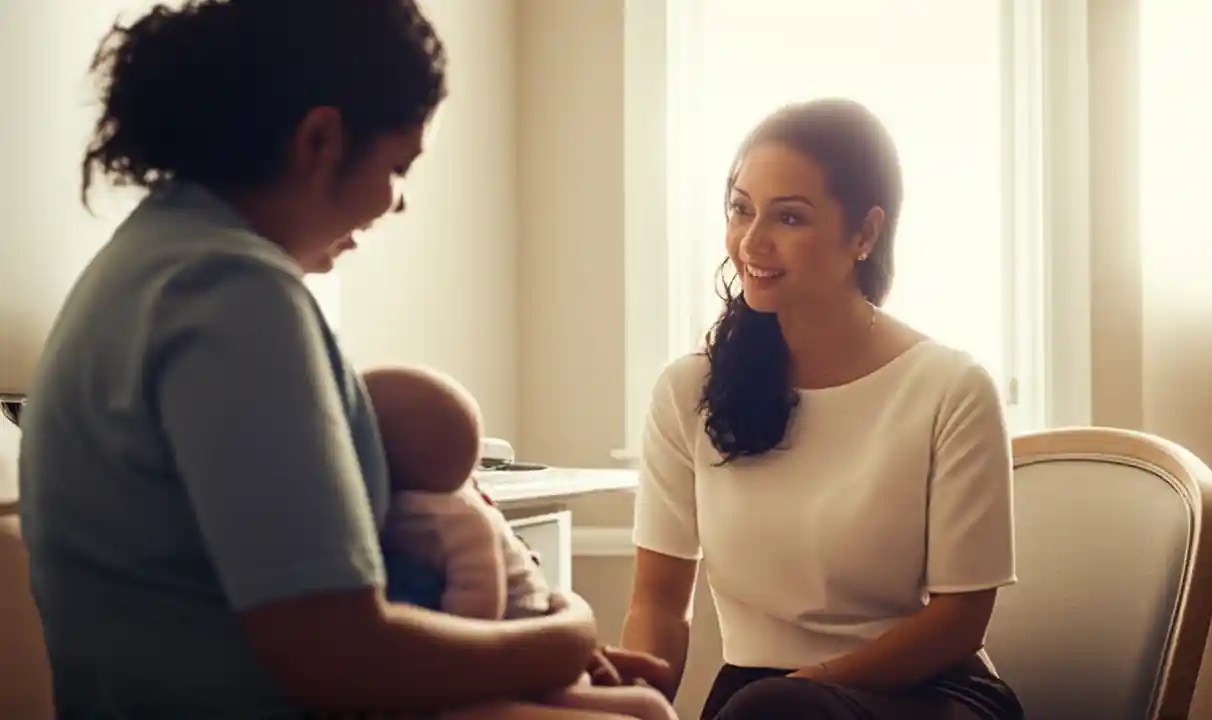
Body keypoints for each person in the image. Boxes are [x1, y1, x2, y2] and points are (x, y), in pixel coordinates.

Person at [17, 1, 653, 717]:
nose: (398, 204)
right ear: (320, 140)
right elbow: (342, 656)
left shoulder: (146, 263)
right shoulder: (235, 296)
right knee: (647, 713)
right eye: (397, 166)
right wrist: (566, 632)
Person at [618, 98, 1026, 719]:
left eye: (789, 218)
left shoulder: (950, 387)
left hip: (926, 693)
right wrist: (631, 710)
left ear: (864, 233)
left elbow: (959, 620)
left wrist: (807, 687)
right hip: (761, 701)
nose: (751, 241)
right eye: (740, 209)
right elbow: (657, 604)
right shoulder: (687, 390)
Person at [364, 365, 678, 720]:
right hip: (510, 658)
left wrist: (468, 657)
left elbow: (481, 590)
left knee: (652, 707)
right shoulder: (430, 507)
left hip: (507, 654)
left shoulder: (450, 515)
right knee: (646, 709)